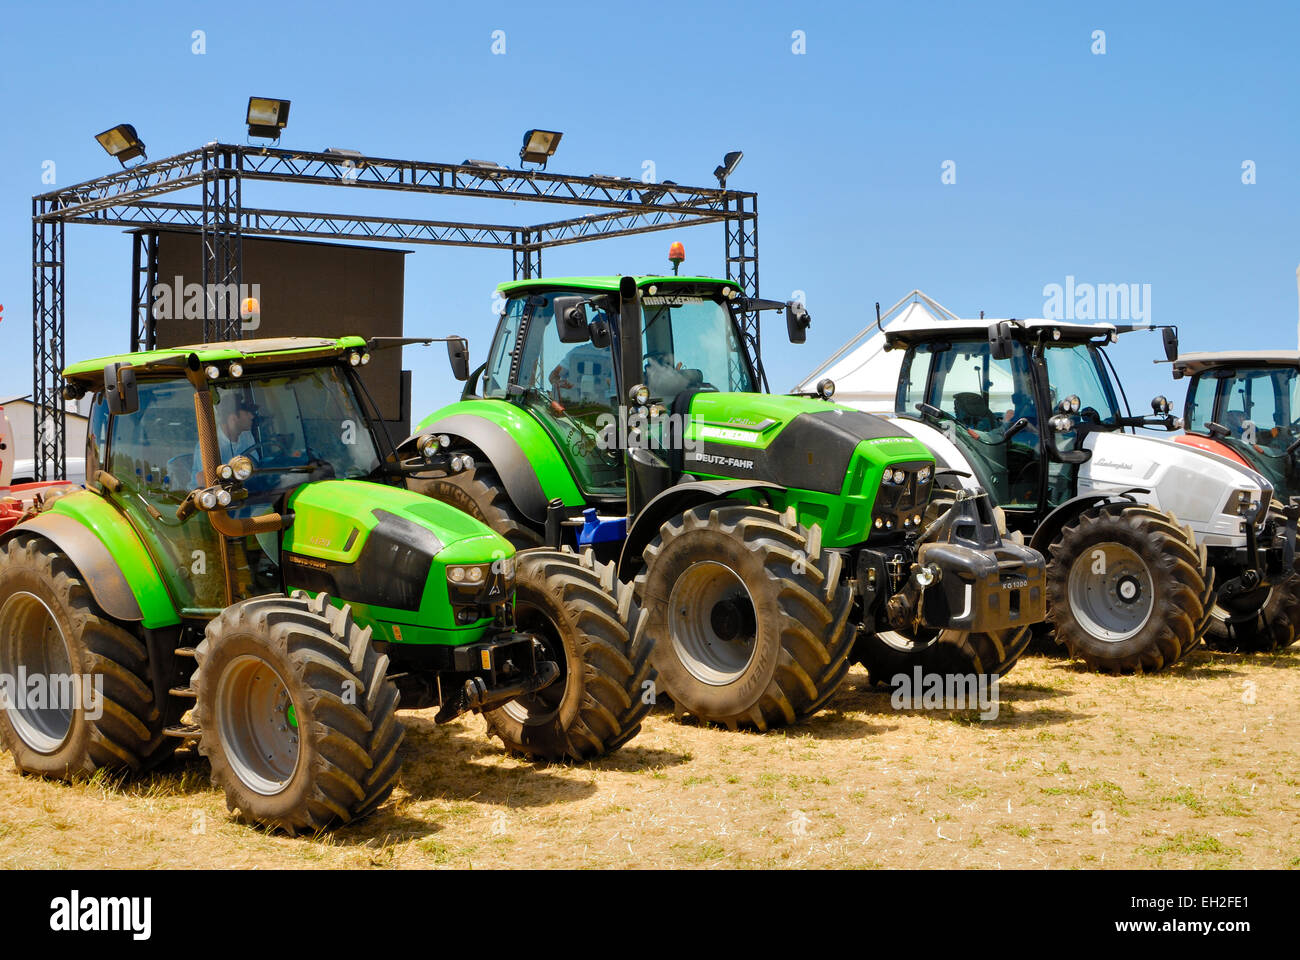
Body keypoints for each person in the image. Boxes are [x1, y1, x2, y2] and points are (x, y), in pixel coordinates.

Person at [193, 396, 259, 486]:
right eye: (247, 412)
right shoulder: (208, 445)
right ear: (233, 418)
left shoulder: (247, 435)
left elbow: (254, 465)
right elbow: (203, 480)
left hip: (245, 487)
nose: (251, 416)